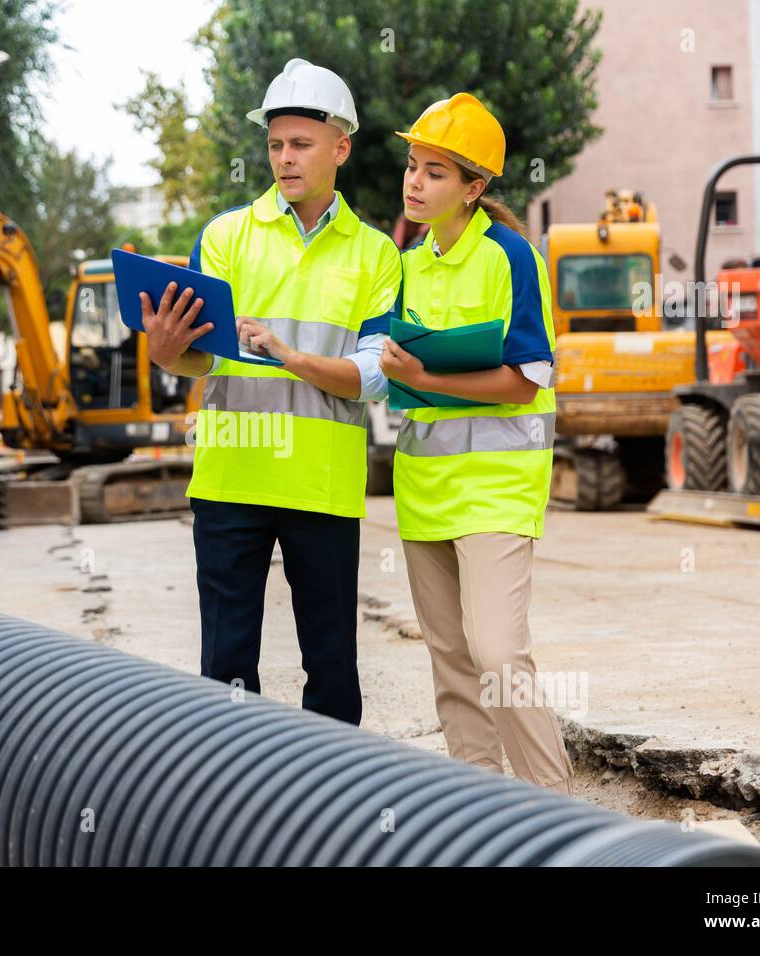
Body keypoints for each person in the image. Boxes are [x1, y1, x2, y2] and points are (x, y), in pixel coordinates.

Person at [140, 58, 401, 725]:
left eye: (301, 145)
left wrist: (290, 356)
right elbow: (204, 358)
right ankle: (233, 810)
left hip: (323, 483)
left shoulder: (376, 255)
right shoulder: (225, 237)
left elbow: (374, 375)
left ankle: (334, 809)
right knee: (224, 669)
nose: (284, 158)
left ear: (340, 148)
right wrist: (168, 353)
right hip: (232, 477)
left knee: (332, 665)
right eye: (276, 144)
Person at [379, 93, 575, 793]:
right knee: (452, 661)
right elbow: (395, 374)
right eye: (412, 166)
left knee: (497, 654)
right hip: (424, 487)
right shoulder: (407, 262)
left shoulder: (509, 255)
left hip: (497, 485)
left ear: (475, 188)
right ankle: (481, 810)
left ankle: (559, 812)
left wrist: (425, 373)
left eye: (436, 172)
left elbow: (527, 381)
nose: (414, 183)